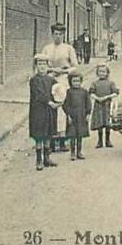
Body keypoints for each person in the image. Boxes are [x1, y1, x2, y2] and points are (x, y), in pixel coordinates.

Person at [41, 23, 79, 153]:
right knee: (50, 108)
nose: (58, 36)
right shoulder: (46, 49)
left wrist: (65, 71)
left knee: (63, 108)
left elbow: (75, 66)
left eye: (60, 34)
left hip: (63, 80)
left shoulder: (68, 48)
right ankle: (51, 141)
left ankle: (63, 140)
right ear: (52, 34)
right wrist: (51, 70)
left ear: (63, 35)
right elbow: (41, 64)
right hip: (50, 79)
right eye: (55, 34)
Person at [29, 54, 57, 170]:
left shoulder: (51, 79)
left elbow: (57, 90)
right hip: (38, 110)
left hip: (49, 110)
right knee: (39, 135)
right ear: (36, 66)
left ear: (48, 65)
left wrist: (59, 100)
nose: (42, 66)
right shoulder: (34, 80)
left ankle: (47, 158)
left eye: (44, 64)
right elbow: (38, 94)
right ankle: (39, 160)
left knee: (48, 133)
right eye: (39, 64)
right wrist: (49, 102)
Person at [89, 63, 119, 148]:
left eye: (104, 72)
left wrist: (107, 97)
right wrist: (97, 98)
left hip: (107, 104)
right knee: (99, 122)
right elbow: (91, 93)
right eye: (100, 72)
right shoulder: (94, 83)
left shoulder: (111, 83)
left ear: (107, 73)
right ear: (97, 73)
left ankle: (108, 140)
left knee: (107, 122)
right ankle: (100, 141)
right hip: (98, 105)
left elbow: (115, 93)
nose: (102, 73)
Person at [64, 72, 91, 160]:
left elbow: (88, 103)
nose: (76, 83)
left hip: (81, 116)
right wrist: (68, 115)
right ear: (70, 82)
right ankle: (72, 153)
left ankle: (79, 152)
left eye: (78, 81)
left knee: (80, 135)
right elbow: (66, 104)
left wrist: (88, 114)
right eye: (74, 81)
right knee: (72, 135)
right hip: (72, 116)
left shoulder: (84, 92)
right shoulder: (69, 92)